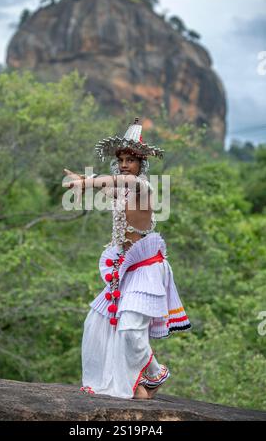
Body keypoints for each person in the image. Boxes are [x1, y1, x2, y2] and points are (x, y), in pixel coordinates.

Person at [62, 118, 191, 400]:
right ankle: (130, 381)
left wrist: (87, 181)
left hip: (147, 269)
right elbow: (111, 185)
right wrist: (88, 185)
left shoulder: (142, 187)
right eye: (121, 158)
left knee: (131, 330)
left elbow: (119, 180)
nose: (123, 164)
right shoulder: (122, 189)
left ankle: (155, 373)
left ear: (141, 164)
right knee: (96, 321)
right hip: (126, 267)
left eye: (130, 159)